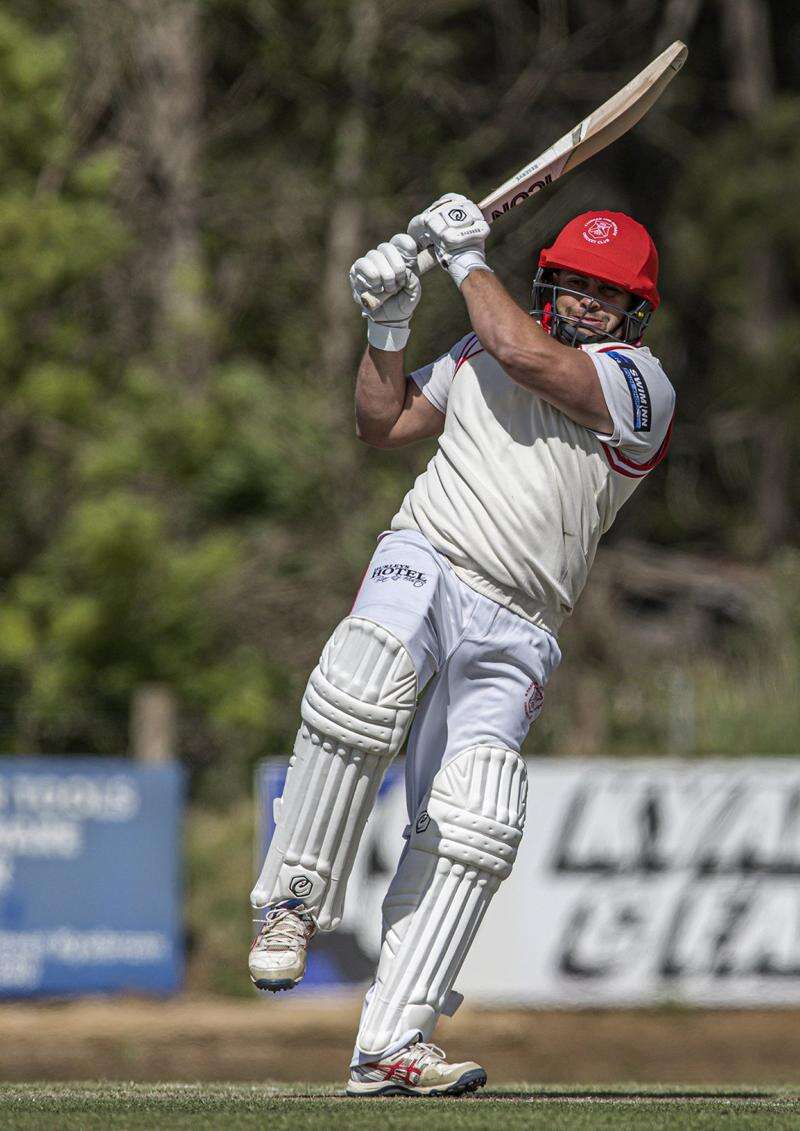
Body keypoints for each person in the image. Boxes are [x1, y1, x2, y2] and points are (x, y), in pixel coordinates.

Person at [248, 196, 676, 1097]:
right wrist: (386, 325)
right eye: (574, 282)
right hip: (431, 553)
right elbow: (384, 423)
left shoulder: (640, 385)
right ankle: (292, 901)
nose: (588, 301)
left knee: (476, 816)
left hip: (525, 614)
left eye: (607, 292)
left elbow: (529, 357)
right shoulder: (479, 349)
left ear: (634, 311)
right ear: (547, 281)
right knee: (361, 684)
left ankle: (391, 1043)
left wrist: (462, 258)